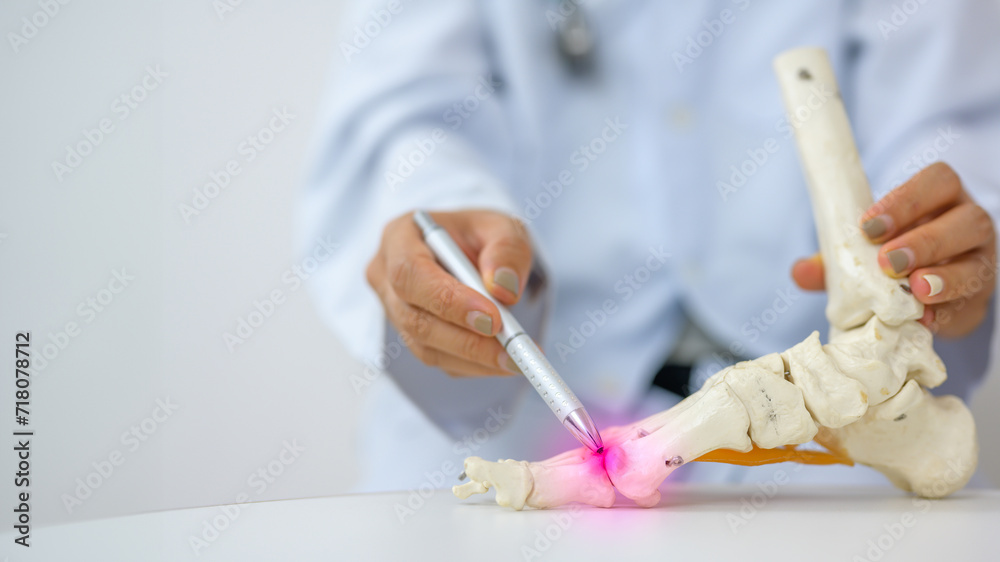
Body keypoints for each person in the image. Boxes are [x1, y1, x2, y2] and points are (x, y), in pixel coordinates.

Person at [299, 0, 999, 492]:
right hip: (502, 438)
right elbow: (405, 114)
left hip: (819, 457)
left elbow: (946, 114)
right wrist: (440, 218)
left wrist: (942, 247)